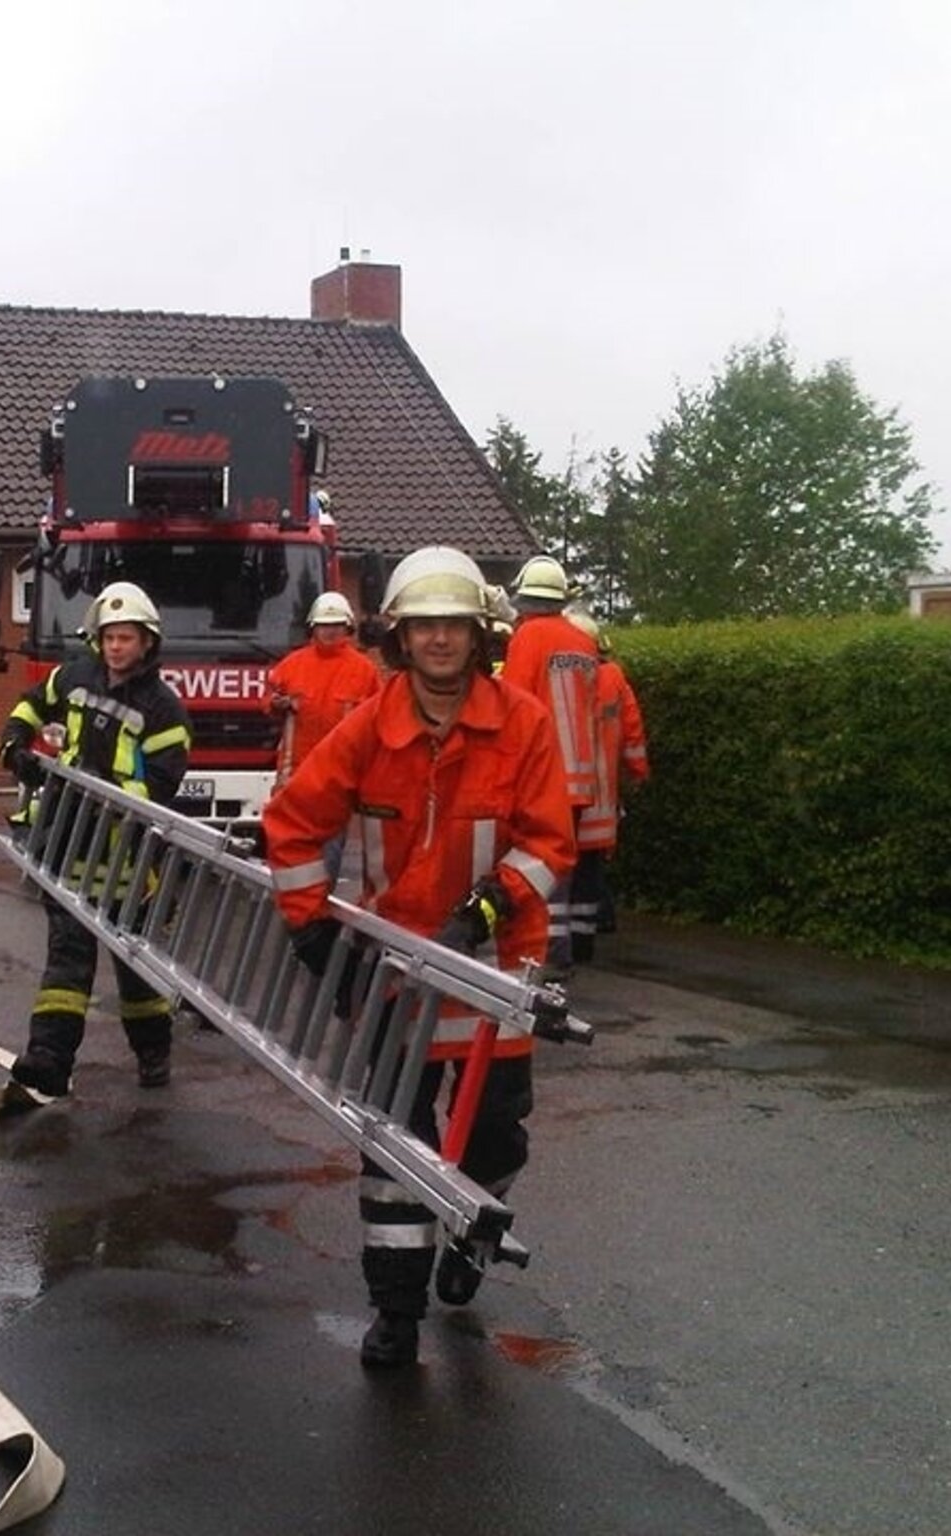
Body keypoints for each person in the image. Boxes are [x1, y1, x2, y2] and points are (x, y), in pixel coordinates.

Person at [261, 546, 576, 1369]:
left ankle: (471, 1237)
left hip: (496, 973)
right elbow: (291, 824)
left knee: (496, 1138)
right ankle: (396, 1310)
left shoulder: (523, 724)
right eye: (425, 625)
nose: (440, 639)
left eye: (455, 625)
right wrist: (313, 933)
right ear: (401, 637)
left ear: (479, 635)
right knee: (395, 1145)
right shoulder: (370, 726)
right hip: (395, 973)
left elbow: (551, 841)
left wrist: (491, 903)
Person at [0, 580, 194, 1096]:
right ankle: (49, 1060)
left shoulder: (163, 708)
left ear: (146, 642)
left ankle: (153, 1053)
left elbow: (164, 782)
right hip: (68, 846)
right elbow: (30, 705)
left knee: (135, 971)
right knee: (67, 960)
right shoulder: (75, 676)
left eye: (125, 638)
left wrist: (105, 790)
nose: (115, 647)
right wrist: (16, 745)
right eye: (108, 637)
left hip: (128, 859)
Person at [497, 555, 601, 979]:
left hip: (543, 773)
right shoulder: (584, 642)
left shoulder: (527, 637)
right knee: (564, 865)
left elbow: (513, 705)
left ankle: (548, 954)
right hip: (581, 777)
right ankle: (562, 950)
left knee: (537, 864)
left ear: (525, 599)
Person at [265, 590, 380, 878]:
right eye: (324, 625)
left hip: (336, 783)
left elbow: (380, 719)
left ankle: (317, 904)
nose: (330, 631)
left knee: (327, 859)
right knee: (289, 856)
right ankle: (290, 904)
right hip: (294, 781)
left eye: (336, 625)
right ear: (313, 628)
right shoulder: (292, 665)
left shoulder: (363, 671)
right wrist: (276, 703)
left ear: (348, 627)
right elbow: (267, 701)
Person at [565, 608, 650, 960]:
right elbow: (633, 733)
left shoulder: (563, 681)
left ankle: (562, 943)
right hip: (603, 801)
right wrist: (638, 772)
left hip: (565, 796)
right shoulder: (614, 678)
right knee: (590, 871)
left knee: (563, 873)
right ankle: (585, 938)